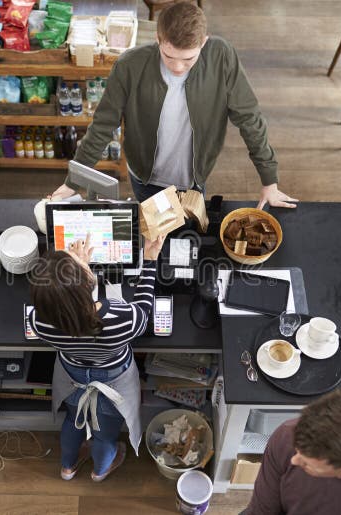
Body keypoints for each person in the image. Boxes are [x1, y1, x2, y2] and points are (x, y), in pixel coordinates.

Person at [51, 2, 297, 209]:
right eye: (169, 56)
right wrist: (72, 182)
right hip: (145, 177)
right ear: (158, 40)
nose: (178, 67)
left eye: (188, 59)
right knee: (153, 237)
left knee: (189, 234)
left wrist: (269, 181)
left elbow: (249, 119)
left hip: (194, 179)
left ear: (203, 43)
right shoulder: (129, 66)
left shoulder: (222, 56)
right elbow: (102, 127)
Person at [28, 233, 166, 481]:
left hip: (71, 376)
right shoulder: (124, 320)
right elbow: (144, 308)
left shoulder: (39, 321)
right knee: (104, 432)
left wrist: (78, 273)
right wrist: (150, 261)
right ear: (88, 286)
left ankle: (68, 468)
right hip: (113, 380)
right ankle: (99, 472)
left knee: (74, 420)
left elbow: (70, 309)